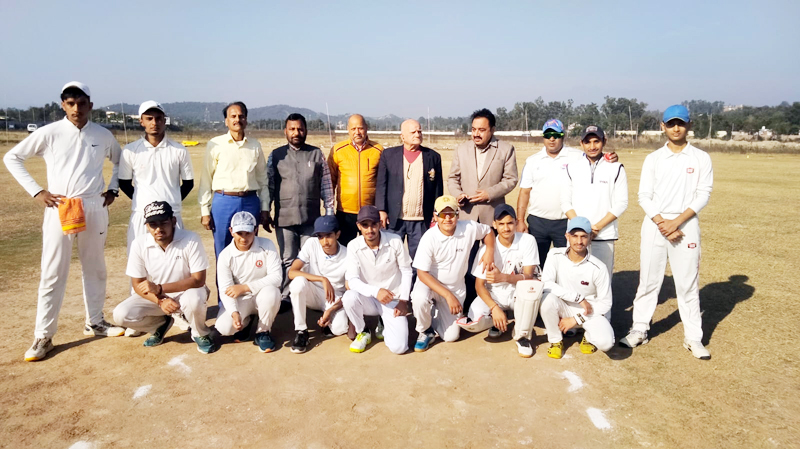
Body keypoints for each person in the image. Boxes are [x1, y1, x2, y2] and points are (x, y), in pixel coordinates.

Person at [4, 81, 124, 362]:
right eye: (70, 103)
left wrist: (113, 189)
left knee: (95, 268)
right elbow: (13, 157)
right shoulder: (50, 133)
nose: (76, 109)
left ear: (90, 105)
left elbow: (120, 161)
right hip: (61, 207)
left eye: (81, 103)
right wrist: (37, 191)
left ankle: (95, 322)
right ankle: (43, 336)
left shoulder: (102, 134)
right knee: (53, 272)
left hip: (94, 205)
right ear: (62, 105)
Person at [620, 105, 713, 360]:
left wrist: (677, 222)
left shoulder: (701, 158)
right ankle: (640, 328)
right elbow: (644, 196)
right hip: (655, 226)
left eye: (680, 124)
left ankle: (693, 337)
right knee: (649, 281)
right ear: (663, 126)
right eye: (670, 124)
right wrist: (663, 223)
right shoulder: (653, 159)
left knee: (688, 284)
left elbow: (703, 194)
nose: (675, 128)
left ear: (689, 126)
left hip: (687, 226)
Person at [113, 202, 216, 354]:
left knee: (194, 300)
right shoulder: (139, 244)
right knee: (121, 314)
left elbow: (198, 280)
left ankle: (200, 333)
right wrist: (160, 300)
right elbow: (137, 284)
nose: (159, 229)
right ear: (147, 226)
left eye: (164, 223)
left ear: (173, 221)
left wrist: (160, 288)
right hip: (160, 297)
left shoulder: (191, 239)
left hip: (188, 291)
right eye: (153, 224)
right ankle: (160, 324)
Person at [517, 119, 618, 268]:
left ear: (563, 136)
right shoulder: (532, 161)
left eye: (556, 134)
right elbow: (525, 191)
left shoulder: (577, 156)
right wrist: (520, 220)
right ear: (543, 137)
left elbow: (596, 158)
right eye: (548, 134)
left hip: (566, 221)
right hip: (537, 222)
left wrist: (611, 158)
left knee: (567, 266)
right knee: (535, 266)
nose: (552, 139)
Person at [411, 195, 496, 352]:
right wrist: (448, 296)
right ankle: (425, 330)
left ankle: (434, 313)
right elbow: (422, 274)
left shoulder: (469, 227)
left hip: (456, 287)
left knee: (451, 337)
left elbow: (488, 232)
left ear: (458, 214)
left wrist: (489, 250)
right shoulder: (429, 237)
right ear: (436, 216)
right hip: (430, 285)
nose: (447, 218)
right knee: (419, 298)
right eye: (443, 214)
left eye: (452, 213)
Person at [266, 113, 335, 294]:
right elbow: (270, 186)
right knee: (288, 259)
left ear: (305, 131)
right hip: (284, 219)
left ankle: (310, 295)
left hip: (310, 219)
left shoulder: (316, 154)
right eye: (292, 129)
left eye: (300, 129)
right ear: (285, 131)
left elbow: (326, 186)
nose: (296, 133)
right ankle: (287, 296)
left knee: (308, 259)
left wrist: (329, 213)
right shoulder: (276, 156)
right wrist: (265, 211)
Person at [465, 205, 541, 357]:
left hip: (517, 292)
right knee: (475, 316)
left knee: (531, 293)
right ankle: (499, 321)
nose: (506, 228)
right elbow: (479, 286)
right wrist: (494, 308)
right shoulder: (486, 250)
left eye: (510, 223)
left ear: (515, 222)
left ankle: (522, 337)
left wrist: (504, 278)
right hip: (495, 294)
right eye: (501, 224)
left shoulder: (528, 240)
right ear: (494, 224)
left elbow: (529, 277)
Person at [119, 101, 193, 252]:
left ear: (164, 120)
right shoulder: (130, 150)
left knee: (176, 266)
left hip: (171, 216)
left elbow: (188, 183)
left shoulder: (179, 150)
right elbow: (124, 183)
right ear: (141, 121)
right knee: (140, 267)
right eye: (149, 118)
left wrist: (171, 202)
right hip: (142, 217)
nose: (155, 123)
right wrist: (144, 202)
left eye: (159, 118)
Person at [198, 101, 269, 258]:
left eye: (241, 116)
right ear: (226, 121)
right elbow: (206, 179)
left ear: (246, 119)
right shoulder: (215, 144)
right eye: (233, 116)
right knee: (222, 248)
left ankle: (247, 283)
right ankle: (223, 283)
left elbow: (263, 180)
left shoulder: (255, 145)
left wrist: (265, 208)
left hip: (250, 201)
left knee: (250, 248)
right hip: (224, 201)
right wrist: (204, 211)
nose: (237, 119)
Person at [539, 217, 614, 359]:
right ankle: (556, 341)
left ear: (590, 237)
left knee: (606, 343)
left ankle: (588, 336)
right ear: (567, 236)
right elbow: (546, 283)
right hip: (563, 306)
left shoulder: (599, 268)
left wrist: (576, 319)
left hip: (588, 311)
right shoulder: (554, 254)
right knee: (546, 299)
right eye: (574, 236)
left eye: (584, 236)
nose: (579, 242)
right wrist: (577, 297)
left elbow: (605, 303)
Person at [341, 206, 412, 354]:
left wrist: (404, 301)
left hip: (393, 299)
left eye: (373, 224)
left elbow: (406, 270)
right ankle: (363, 331)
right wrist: (376, 291)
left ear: (380, 224)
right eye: (365, 225)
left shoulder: (395, 241)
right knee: (349, 297)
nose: (370, 230)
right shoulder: (353, 246)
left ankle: (384, 323)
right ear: (358, 226)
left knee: (399, 348)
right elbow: (352, 280)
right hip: (369, 298)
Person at [561, 125, 628, 279]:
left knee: (602, 278)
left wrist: (597, 227)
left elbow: (621, 203)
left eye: (596, 141)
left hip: (604, 234)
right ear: (581, 143)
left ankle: (603, 305)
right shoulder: (572, 168)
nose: (592, 146)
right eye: (588, 142)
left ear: (604, 141)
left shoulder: (616, 168)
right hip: (577, 234)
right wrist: (582, 228)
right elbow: (565, 202)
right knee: (574, 277)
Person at [375, 119, 443, 259]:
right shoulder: (388, 156)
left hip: (421, 221)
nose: (417, 134)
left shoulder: (433, 157)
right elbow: (381, 185)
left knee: (419, 259)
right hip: (395, 220)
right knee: (391, 257)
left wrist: (436, 212)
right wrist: (381, 210)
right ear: (403, 136)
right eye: (413, 132)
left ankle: (415, 281)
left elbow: (438, 189)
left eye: (419, 131)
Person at [215, 211, 282, 353]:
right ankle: (246, 322)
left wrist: (245, 287)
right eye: (240, 233)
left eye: (248, 233)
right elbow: (225, 288)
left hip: (262, 295)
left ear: (255, 230)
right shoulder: (225, 255)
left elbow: (277, 278)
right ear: (231, 231)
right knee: (224, 327)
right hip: (241, 300)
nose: (244, 238)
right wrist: (234, 313)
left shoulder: (267, 245)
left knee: (272, 292)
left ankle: (263, 332)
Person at [287, 215, 349, 353]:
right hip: (313, 290)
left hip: (335, 297)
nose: (325, 241)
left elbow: (350, 292)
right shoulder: (311, 243)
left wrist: (331, 310)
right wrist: (322, 279)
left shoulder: (348, 255)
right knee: (298, 283)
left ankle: (326, 320)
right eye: (320, 237)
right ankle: (301, 331)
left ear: (337, 234)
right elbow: (292, 272)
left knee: (341, 328)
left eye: (328, 235)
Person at [447, 108, 518, 225]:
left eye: (481, 130)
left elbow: (511, 179)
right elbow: (453, 178)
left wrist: (490, 194)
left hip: (493, 215)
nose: (476, 134)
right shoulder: (461, 149)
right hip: (466, 215)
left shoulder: (505, 150)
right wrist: (458, 194)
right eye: (474, 129)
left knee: (492, 244)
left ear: (492, 130)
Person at [328, 114, 384, 245]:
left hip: (370, 212)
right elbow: (330, 181)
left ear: (366, 128)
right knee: (345, 250)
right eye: (353, 129)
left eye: (360, 128)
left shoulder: (378, 150)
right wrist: (329, 208)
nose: (357, 132)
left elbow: (383, 183)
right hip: (345, 212)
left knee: (371, 250)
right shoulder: (338, 150)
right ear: (348, 129)